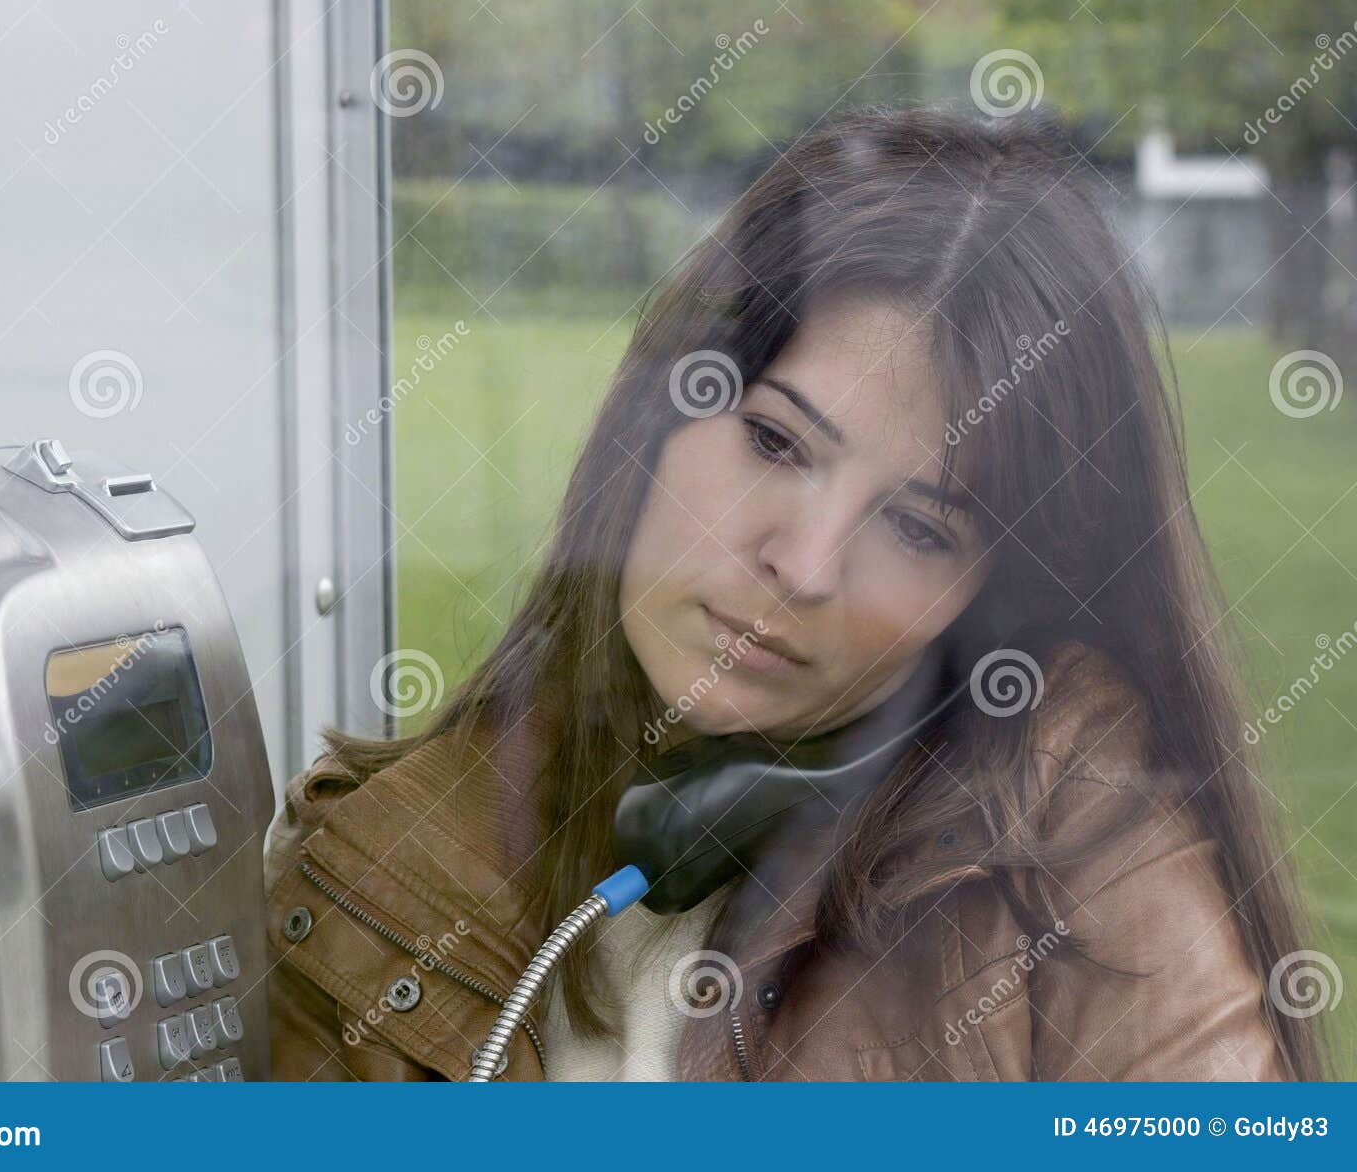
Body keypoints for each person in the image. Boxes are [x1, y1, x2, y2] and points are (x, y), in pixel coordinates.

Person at [263, 106, 1327, 1081]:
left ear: (983, 601)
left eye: (915, 526)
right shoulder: (377, 872)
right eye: (774, 440)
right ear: (658, 417)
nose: (806, 566)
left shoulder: (1065, 844)